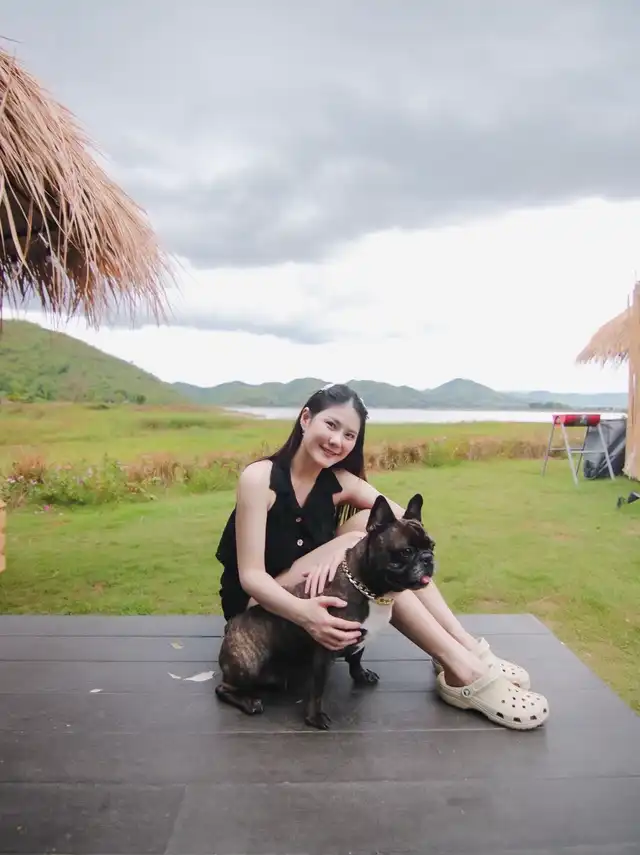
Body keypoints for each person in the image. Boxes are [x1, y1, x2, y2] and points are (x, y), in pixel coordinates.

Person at [216, 383, 549, 730]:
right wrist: (308, 611)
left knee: (381, 539)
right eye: (331, 425)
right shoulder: (260, 478)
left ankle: (462, 643)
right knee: (373, 566)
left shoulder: (339, 481)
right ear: (305, 419)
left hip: (310, 583)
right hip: (258, 610)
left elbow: (403, 522)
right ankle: (461, 668)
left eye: (349, 435)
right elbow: (251, 578)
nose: (337, 441)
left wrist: (353, 542)